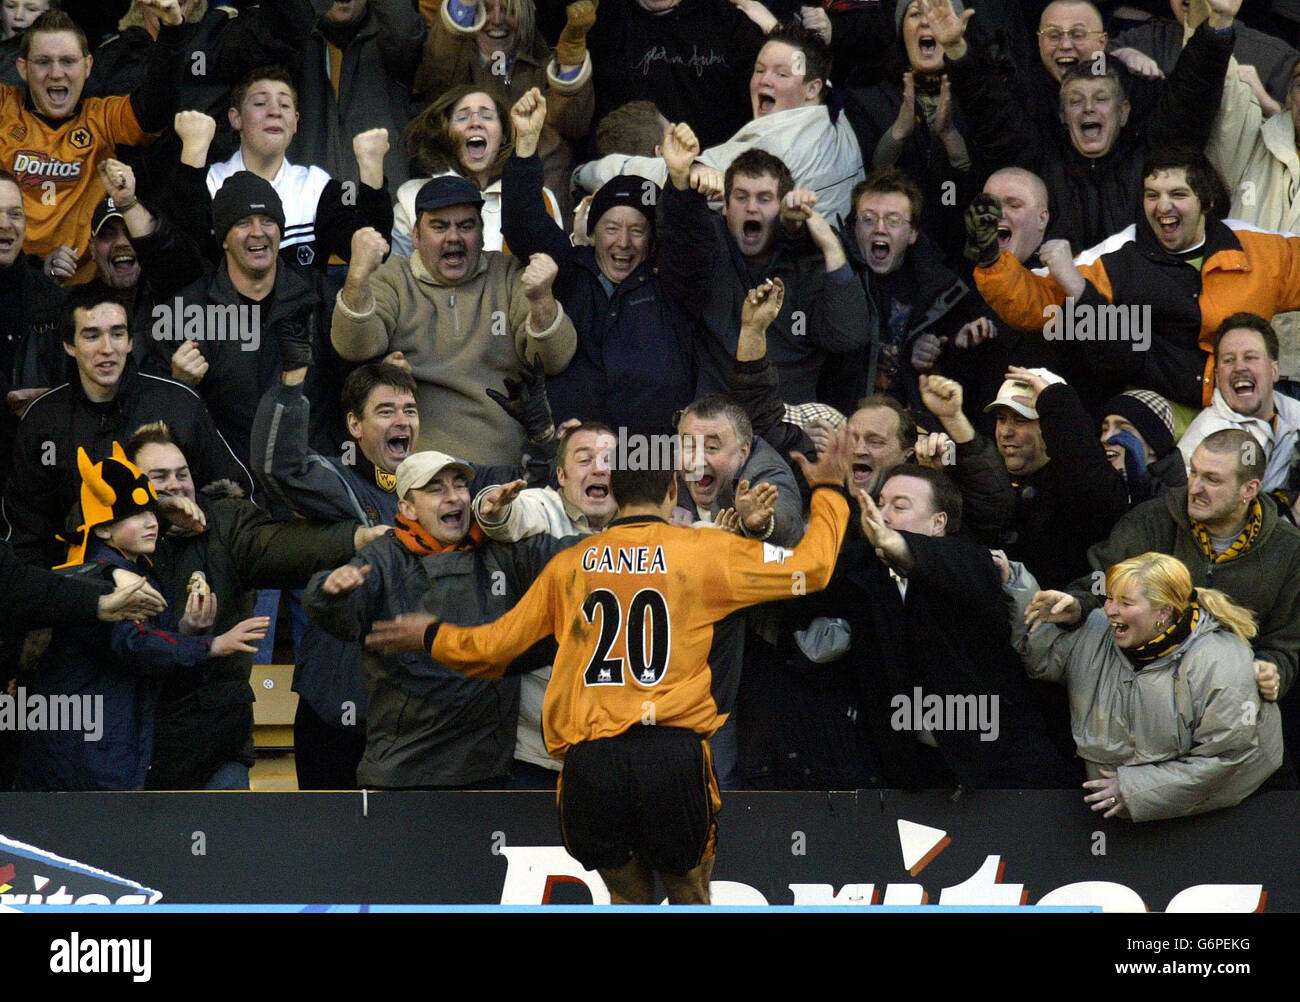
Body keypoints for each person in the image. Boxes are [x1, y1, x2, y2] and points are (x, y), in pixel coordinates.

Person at [361, 424, 855, 903]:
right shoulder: (707, 552)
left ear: (615, 495)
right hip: (671, 755)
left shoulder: (572, 563)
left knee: (624, 897)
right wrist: (830, 491)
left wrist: (431, 634)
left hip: (590, 763)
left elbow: (494, 651)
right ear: (671, 490)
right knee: (690, 894)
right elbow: (812, 570)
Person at [303, 449, 584, 790]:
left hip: (489, 772)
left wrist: (625, 543)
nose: (454, 497)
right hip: (406, 775)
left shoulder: (497, 549)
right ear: (406, 508)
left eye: (459, 486)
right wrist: (330, 592)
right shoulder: (383, 558)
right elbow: (337, 613)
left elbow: (572, 557)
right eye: (436, 489)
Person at [11, 443, 270, 791]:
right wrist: (211, 645)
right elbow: (134, 645)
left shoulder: (135, 568)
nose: (151, 523)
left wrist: (185, 629)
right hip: (82, 758)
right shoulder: (99, 579)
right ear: (103, 529)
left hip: (107, 749)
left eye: (152, 512)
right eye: (135, 515)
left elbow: (140, 640)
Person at [969, 146, 1300, 412]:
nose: (1162, 206)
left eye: (1178, 194)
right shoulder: (1118, 257)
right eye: (1152, 195)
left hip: (1252, 400)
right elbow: (1036, 303)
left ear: (1207, 202)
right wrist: (991, 259)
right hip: (1164, 411)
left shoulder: (1259, 249)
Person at [807, 463, 1075, 789]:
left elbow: (958, 564)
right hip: (913, 774)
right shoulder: (863, 572)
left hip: (1006, 768)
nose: (883, 514)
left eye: (900, 505)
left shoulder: (973, 562)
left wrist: (901, 548)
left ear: (938, 523)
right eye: (880, 503)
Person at [1008, 550, 1284, 821]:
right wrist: (1015, 582)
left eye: (1126, 603)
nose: (1110, 610)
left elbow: (1227, 756)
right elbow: (1040, 657)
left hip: (1208, 811)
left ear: (1164, 612)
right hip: (1114, 809)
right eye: (1110, 598)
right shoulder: (1097, 629)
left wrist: (1133, 789)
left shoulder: (1220, 661)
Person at [501, 88, 711, 438]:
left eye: (637, 231)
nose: (623, 243)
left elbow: (691, 246)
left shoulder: (671, 283)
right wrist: (525, 145)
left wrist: (680, 180)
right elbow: (524, 225)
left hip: (652, 463)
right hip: (577, 459)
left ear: (653, 240)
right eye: (611, 228)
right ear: (592, 233)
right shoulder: (569, 271)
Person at [332, 173, 576, 465]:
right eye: (439, 226)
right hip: (418, 474)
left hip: (503, 469)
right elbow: (354, 346)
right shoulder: (393, 278)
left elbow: (554, 359)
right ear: (416, 236)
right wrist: (357, 277)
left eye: (466, 226)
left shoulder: (509, 275)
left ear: (483, 234)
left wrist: (541, 300)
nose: (453, 237)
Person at [2, 285, 252, 568]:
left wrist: (193, 517)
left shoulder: (177, 403)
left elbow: (234, 495)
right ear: (69, 345)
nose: (107, 349)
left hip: (178, 573)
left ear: (131, 341)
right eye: (92, 335)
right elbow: (26, 531)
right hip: (79, 585)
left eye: (117, 334)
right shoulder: (43, 419)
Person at [575, 22, 866, 226]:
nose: (765, 80)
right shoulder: (834, 111)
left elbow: (662, 177)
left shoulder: (774, 147)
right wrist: (770, 23)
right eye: (760, 70)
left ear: (812, 88)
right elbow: (816, 69)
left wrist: (585, 172)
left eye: (781, 75)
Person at [10, 5, 188, 285]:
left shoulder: (102, 117)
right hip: (13, 284)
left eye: (68, 61)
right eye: (43, 62)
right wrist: (31, 271)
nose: (56, 73)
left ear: (88, 66)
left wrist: (173, 30)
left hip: (90, 292)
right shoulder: (3, 109)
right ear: (22, 67)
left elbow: (154, 112)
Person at [693, 152, 872, 408]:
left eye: (764, 199)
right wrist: (687, 178)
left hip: (788, 424)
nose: (751, 207)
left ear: (781, 210)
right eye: (741, 197)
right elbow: (680, 237)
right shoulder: (711, 249)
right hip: (715, 423)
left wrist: (831, 246)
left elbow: (848, 336)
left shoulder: (806, 262)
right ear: (725, 207)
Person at [188, 65, 394, 272]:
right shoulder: (209, 182)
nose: (275, 112)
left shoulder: (315, 186)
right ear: (236, 118)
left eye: (285, 105)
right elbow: (183, 260)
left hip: (304, 304)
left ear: (295, 122)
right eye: (260, 103)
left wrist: (371, 171)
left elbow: (373, 252)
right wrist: (191, 156)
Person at [413, 0, 595, 222]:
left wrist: (569, 63)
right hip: (462, 196)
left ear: (526, 15)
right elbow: (437, 75)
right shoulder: (453, 63)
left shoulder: (544, 66)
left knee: (554, 150)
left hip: (535, 201)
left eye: (509, 11)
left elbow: (573, 125)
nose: (497, 20)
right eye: (487, 9)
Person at [391, 86, 561, 259]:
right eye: (463, 117)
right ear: (447, 132)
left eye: (487, 116)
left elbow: (555, 270)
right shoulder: (413, 197)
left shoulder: (538, 199)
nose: (475, 123)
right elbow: (395, 276)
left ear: (503, 134)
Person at [281, 0, 425, 191]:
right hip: (304, 202)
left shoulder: (393, 41)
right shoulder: (293, 43)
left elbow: (403, 30)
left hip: (385, 199)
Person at [1178, 312, 1300, 495]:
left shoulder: (1294, 413)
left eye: (1250, 357)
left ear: (1274, 371)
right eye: (1229, 360)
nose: (1239, 367)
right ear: (1217, 377)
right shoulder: (1205, 436)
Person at [1100, 387, 1187, 507]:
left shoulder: (1181, 494)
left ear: (1153, 445)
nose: (1105, 438)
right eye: (1105, 429)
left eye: (1123, 429)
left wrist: (1141, 481)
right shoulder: (1101, 482)